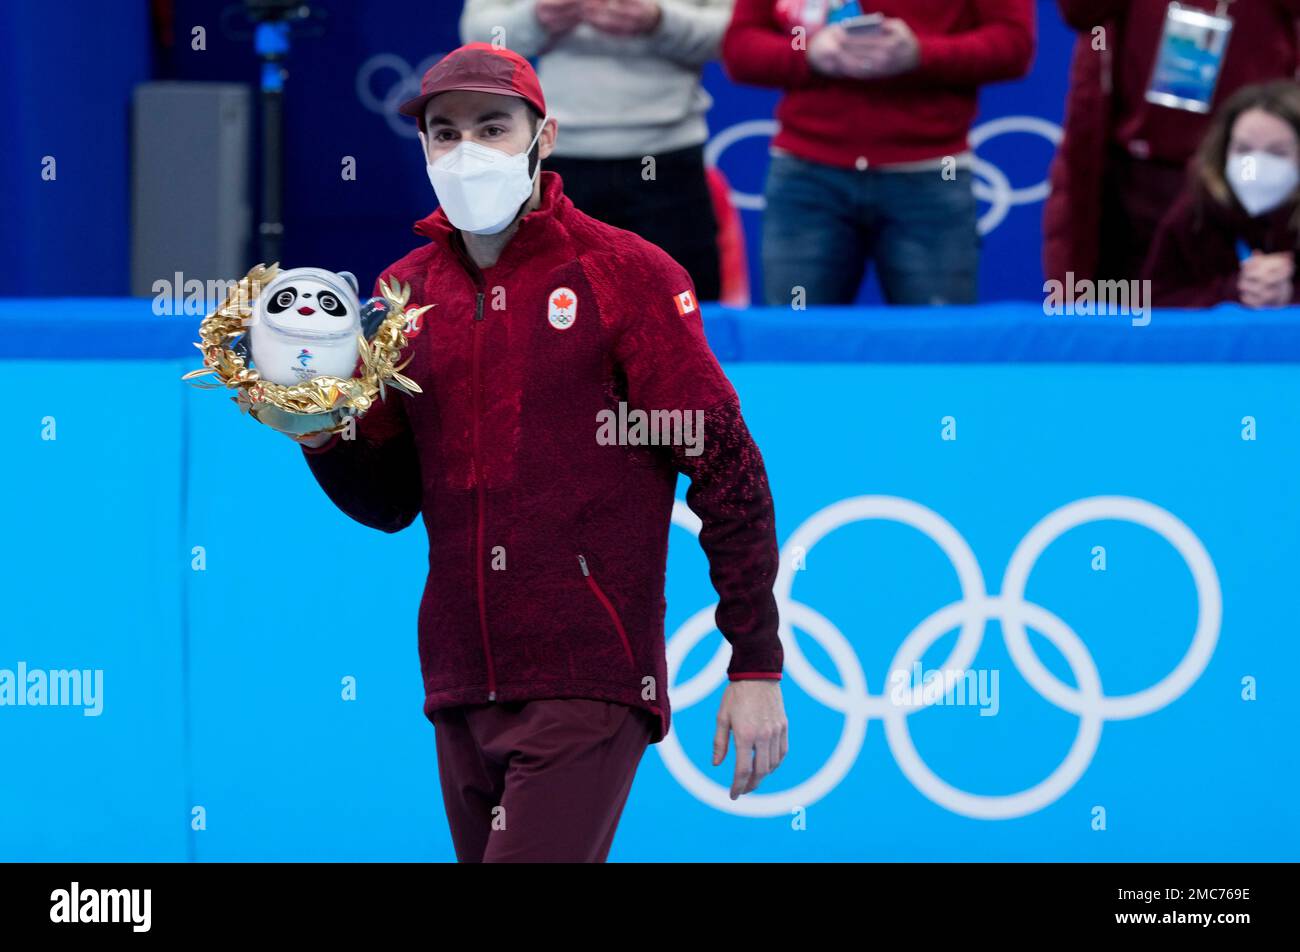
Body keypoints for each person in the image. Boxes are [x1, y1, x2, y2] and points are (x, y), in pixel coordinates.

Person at [289, 43, 787, 862]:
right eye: (444, 134)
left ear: (543, 136)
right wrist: (319, 435)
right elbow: (390, 502)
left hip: (586, 672)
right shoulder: (401, 296)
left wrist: (756, 665)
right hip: (459, 681)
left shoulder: (623, 274)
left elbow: (728, 465)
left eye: (492, 127)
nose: (466, 152)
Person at [721, 0, 1035, 306]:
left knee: (939, 347)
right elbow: (739, 48)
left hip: (930, 174)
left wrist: (921, 54)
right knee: (794, 343)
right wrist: (807, 53)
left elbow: (1014, 44)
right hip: (807, 176)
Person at [459, 0, 733, 301]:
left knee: (689, 310)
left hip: (668, 158)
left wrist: (659, 19)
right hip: (562, 157)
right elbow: (478, 37)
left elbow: (733, 36)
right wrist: (537, 17)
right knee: (549, 313)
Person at [1044, 0, 1300, 285]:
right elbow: (1080, 12)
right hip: (1138, 175)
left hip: (1250, 169)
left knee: (1253, 297)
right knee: (1131, 311)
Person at [1143, 81, 1300, 308]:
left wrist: (1290, 295)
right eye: (1243, 149)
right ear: (1224, 150)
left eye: (1277, 152)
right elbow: (1152, 300)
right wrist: (1234, 290)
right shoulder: (1194, 212)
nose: (1255, 167)